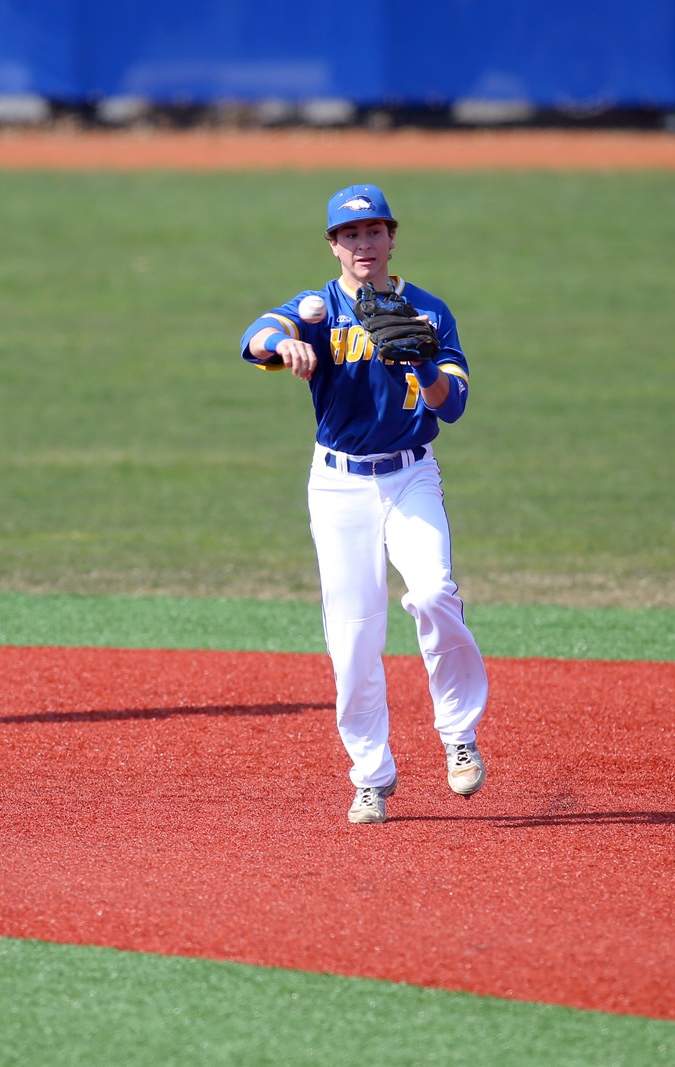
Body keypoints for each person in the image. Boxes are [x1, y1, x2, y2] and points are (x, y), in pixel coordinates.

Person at [239, 183, 487, 824]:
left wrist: (425, 368)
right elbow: (257, 334)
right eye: (350, 235)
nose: (363, 244)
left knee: (433, 593)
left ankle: (458, 733)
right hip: (339, 485)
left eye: (374, 232)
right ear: (333, 245)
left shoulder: (429, 313)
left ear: (392, 237)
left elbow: (453, 405)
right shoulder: (317, 308)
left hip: (411, 476)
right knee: (352, 636)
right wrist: (282, 344)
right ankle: (371, 776)